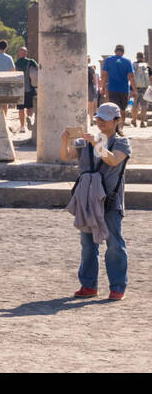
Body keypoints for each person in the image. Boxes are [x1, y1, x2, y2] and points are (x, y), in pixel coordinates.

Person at [62, 104, 130, 300]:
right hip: (87, 200)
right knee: (87, 244)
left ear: (117, 120)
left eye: (105, 119)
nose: (100, 122)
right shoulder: (85, 142)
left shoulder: (122, 142)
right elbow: (65, 156)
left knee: (114, 244)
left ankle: (117, 287)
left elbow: (113, 160)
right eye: (99, 118)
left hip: (110, 200)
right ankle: (88, 285)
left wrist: (97, 144)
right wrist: (65, 140)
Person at [102, 45, 135, 119]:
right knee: (122, 110)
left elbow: (104, 75)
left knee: (113, 108)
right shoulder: (127, 61)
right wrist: (134, 90)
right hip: (124, 89)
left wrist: (102, 87)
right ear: (123, 52)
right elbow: (131, 77)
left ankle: (114, 127)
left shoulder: (108, 60)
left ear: (115, 51)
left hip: (112, 88)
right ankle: (120, 128)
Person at [14, 46, 40, 133]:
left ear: (19, 53)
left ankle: (22, 126)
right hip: (30, 88)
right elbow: (38, 68)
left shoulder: (16, 63)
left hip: (19, 89)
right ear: (26, 53)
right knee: (30, 107)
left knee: (21, 109)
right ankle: (29, 119)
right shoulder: (31, 61)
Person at [133, 53, 150, 128]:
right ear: (143, 58)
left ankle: (134, 120)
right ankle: (142, 122)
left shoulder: (133, 66)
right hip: (145, 89)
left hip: (135, 88)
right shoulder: (147, 66)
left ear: (137, 57)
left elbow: (130, 76)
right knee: (144, 106)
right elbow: (150, 77)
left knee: (135, 106)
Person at [87, 57, 99, 125]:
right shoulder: (92, 69)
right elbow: (95, 81)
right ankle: (91, 121)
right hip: (90, 87)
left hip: (82, 87)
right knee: (90, 106)